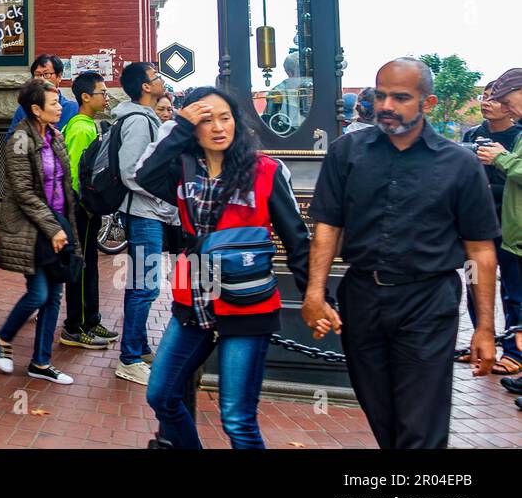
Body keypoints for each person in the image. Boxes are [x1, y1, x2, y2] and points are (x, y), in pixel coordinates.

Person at [303, 57, 499, 449]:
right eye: (381, 95)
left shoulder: (460, 164)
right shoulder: (347, 152)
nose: (387, 105)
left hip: (428, 300)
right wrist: (314, 293)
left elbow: (480, 248)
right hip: (362, 295)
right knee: (382, 413)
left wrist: (485, 328)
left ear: (427, 103)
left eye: (401, 97)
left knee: (421, 422)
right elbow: (328, 226)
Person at [135, 86, 312, 448]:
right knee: (162, 396)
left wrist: (314, 295)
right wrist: (180, 127)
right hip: (194, 300)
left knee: (237, 419)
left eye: (225, 117)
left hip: (247, 303)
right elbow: (145, 175)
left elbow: (297, 240)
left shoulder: (265, 170)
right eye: (206, 119)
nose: (218, 127)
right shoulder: (182, 170)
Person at [0, 78, 81, 384]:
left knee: (54, 296)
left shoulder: (53, 135)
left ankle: (41, 363)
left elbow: (63, 185)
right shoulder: (19, 138)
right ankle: (3, 337)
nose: (60, 107)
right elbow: (23, 191)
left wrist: (65, 224)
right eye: (54, 103)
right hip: (33, 228)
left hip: (56, 223)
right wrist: (53, 227)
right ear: (36, 109)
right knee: (39, 293)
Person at [114, 61, 178, 386]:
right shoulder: (139, 122)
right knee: (145, 286)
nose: (160, 81)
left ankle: (138, 346)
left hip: (145, 211)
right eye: (156, 77)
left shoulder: (146, 117)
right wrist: (162, 196)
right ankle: (129, 358)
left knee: (140, 285)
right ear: (145, 87)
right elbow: (130, 172)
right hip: (143, 213)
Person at [60, 70, 117, 350]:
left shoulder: (88, 124)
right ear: (85, 97)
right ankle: (75, 325)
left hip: (85, 209)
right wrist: (86, 205)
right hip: (79, 209)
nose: (106, 97)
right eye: (102, 92)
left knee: (90, 265)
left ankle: (91, 319)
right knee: (81, 266)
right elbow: (75, 173)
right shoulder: (81, 127)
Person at [463, 82, 522, 347]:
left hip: (508, 225)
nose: (486, 103)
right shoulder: (473, 134)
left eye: (495, 99)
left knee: (512, 290)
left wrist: (500, 163)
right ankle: (480, 337)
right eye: (484, 97)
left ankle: (512, 350)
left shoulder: (518, 136)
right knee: (474, 281)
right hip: (475, 226)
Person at [5, 55, 78, 136]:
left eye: (46, 74)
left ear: (59, 76)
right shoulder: (24, 109)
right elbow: (12, 139)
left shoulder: (73, 109)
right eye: (37, 75)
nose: (42, 79)